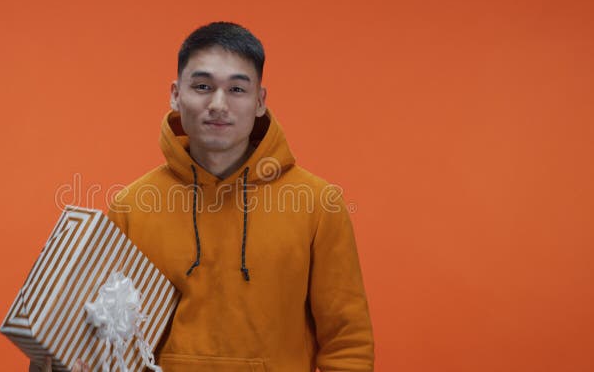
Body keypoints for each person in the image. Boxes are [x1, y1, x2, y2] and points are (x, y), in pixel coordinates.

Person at [37, 21, 374, 372]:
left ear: (260, 101)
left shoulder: (319, 204)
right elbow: (105, 335)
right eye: (202, 86)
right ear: (175, 94)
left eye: (237, 90)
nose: (218, 103)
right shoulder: (132, 206)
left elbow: (347, 342)